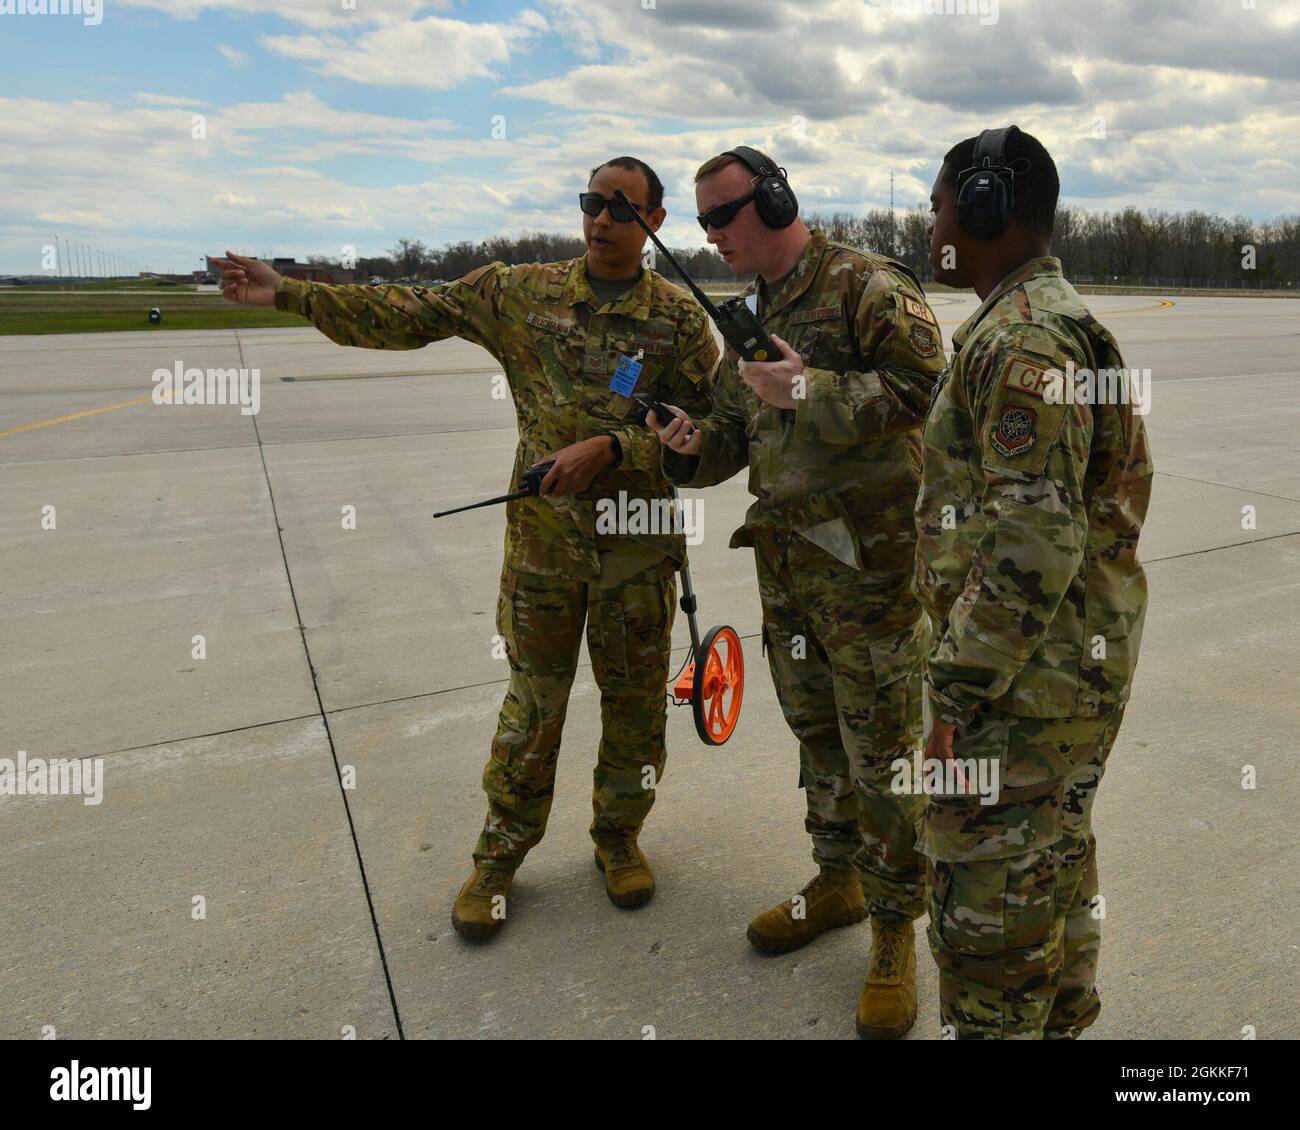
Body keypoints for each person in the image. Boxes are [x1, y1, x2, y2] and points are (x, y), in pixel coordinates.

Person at [215, 156, 719, 940]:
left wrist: (614, 448)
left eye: (621, 207)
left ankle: (619, 837)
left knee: (633, 709)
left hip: (638, 550)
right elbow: (408, 310)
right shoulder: (521, 294)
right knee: (532, 708)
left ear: (654, 222)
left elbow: (700, 435)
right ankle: (499, 856)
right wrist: (289, 291)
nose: (599, 218)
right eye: (591, 201)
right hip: (545, 552)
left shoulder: (683, 322)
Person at [653, 147, 943, 1038]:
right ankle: (839, 879)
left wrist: (807, 386)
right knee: (818, 737)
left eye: (723, 216)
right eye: (700, 223)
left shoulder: (865, 285)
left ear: (775, 200)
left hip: (872, 578)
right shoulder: (752, 315)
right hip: (789, 575)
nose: (711, 236)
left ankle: (897, 931)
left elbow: (930, 389)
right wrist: (683, 444)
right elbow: (732, 434)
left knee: (885, 751)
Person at [916, 125, 1153, 1038]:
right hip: (1062, 677)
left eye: (939, 201)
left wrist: (954, 695)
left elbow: (1036, 541)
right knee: (1052, 866)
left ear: (985, 208)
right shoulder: (1037, 325)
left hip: (1018, 689)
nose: (930, 220)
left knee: (990, 920)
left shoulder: (1022, 344)